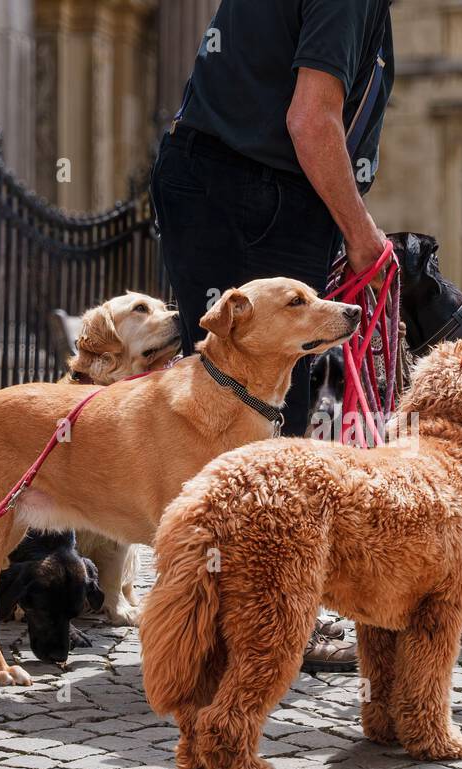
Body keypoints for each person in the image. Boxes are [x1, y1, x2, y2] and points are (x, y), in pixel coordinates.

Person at [151, 0, 394, 672]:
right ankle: (256, 621)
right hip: (261, 191)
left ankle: (210, 618)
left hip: (220, 181)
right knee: (261, 431)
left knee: (220, 416)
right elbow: (311, 121)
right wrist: (363, 238)